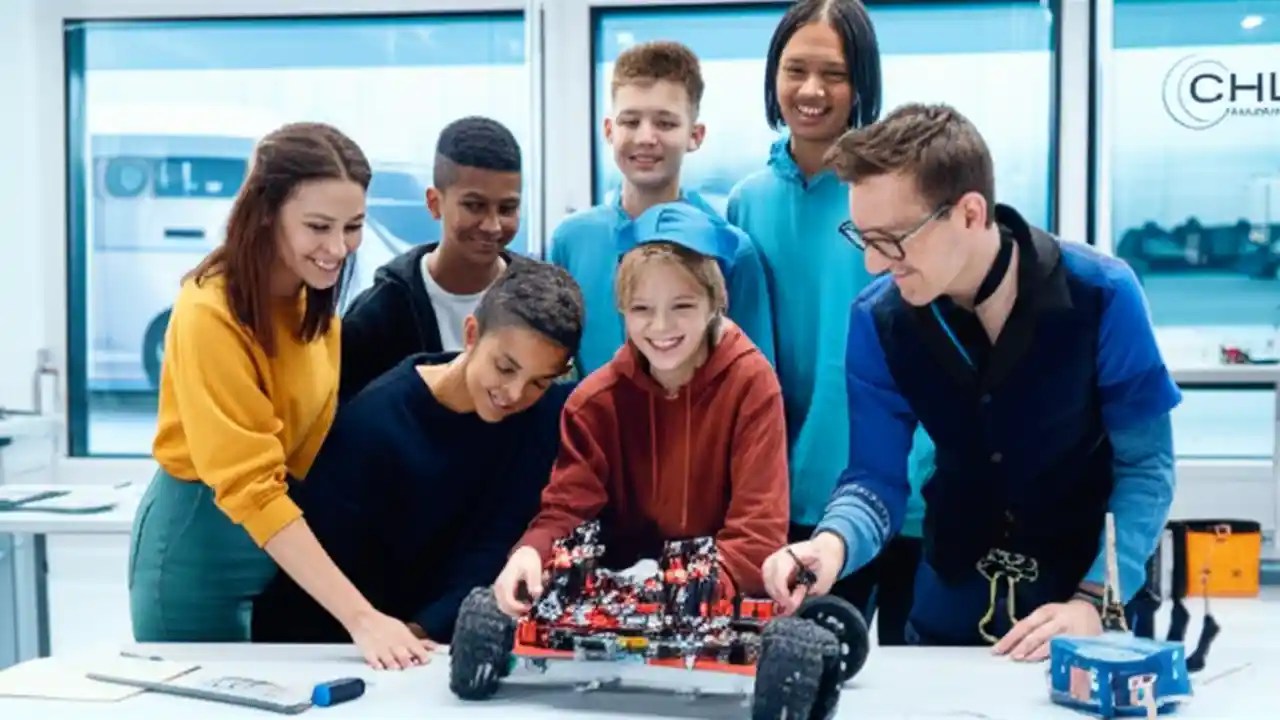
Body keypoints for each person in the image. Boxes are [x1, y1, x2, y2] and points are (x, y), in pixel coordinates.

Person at [761, 103, 1181, 661]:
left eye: (892, 239)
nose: (873, 264)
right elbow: (874, 479)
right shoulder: (877, 320)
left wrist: (1095, 597)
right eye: (862, 238)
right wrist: (830, 545)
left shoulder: (1102, 294)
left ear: (968, 212)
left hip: (1089, 587)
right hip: (954, 586)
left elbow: (1146, 468)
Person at [128, 122, 433, 669]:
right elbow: (251, 487)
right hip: (198, 552)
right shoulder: (209, 313)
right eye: (318, 226)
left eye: (354, 226)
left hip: (280, 551)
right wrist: (361, 618)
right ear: (266, 210)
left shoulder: (309, 300)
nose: (338, 248)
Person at [725, 0, 931, 644]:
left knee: (913, 683)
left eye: (834, 74)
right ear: (772, 77)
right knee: (800, 676)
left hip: (907, 491)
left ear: (862, 82)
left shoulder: (893, 194)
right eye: (796, 70)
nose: (811, 91)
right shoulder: (746, 201)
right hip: (790, 498)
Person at [252, 260, 584, 646]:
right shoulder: (374, 425)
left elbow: (500, 538)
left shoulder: (541, 415)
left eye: (539, 382)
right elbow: (316, 579)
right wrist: (392, 637)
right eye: (505, 367)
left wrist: (425, 629)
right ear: (472, 334)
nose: (514, 394)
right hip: (338, 642)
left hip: (441, 640)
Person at [494, 202, 790, 615]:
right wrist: (531, 553)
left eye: (682, 306)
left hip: (715, 606)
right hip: (618, 611)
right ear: (621, 310)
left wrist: (681, 590)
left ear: (715, 303)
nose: (661, 327)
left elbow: (758, 534)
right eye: (642, 309)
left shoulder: (752, 387)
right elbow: (566, 510)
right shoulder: (594, 404)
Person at [550, 40, 774, 376]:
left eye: (666, 123)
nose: (645, 137)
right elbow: (555, 365)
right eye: (630, 121)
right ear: (609, 130)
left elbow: (755, 378)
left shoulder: (729, 248)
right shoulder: (571, 240)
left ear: (695, 135)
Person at [339, 116, 526, 402]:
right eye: (474, 206)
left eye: (507, 208)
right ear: (434, 203)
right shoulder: (377, 316)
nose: (493, 225)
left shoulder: (539, 302)